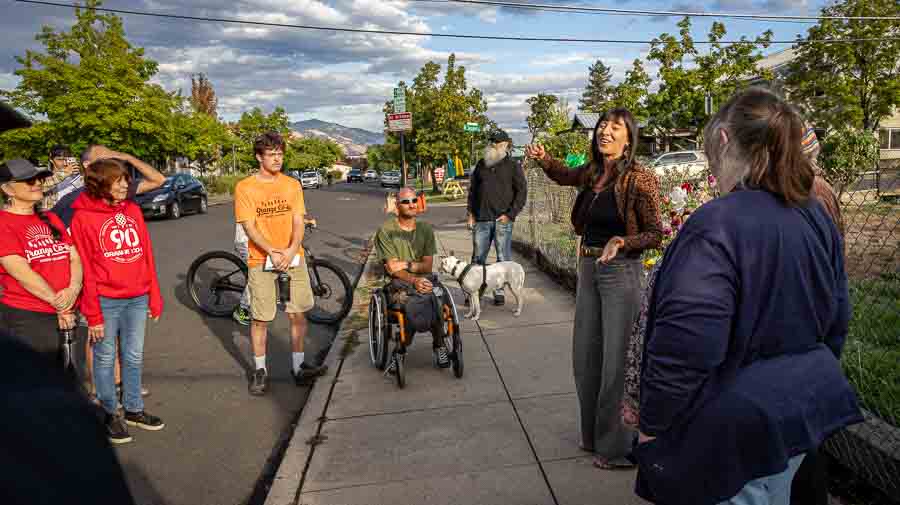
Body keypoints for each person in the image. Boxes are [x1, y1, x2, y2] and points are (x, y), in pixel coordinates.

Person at [633, 87, 863, 505]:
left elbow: (687, 344)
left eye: (709, 158)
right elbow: (837, 317)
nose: (711, 173)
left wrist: (654, 425)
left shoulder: (716, 224)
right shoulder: (813, 214)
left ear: (724, 139)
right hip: (797, 412)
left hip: (732, 428)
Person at [525, 107, 662, 469]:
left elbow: (655, 233)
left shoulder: (639, 179)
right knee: (586, 357)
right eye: (603, 124)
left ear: (629, 139)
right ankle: (593, 437)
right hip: (588, 267)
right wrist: (544, 159)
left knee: (617, 362)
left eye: (615, 127)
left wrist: (623, 241)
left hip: (621, 273)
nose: (605, 131)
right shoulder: (592, 172)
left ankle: (618, 448)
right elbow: (564, 175)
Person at [54, 145, 164, 403]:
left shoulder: (127, 203)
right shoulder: (73, 205)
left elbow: (157, 180)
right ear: (90, 169)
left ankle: (129, 398)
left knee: (130, 352)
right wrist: (76, 296)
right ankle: (102, 397)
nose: (125, 184)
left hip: (134, 293)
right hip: (100, 292)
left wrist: (126, 157)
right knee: (102, 349)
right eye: (105, 159)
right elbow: (74, 254)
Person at [235, 132, 327, 396]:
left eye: (280, 154)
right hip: (261, 258)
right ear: (259, 157)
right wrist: (272, 251)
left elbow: (298, 220)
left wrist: (291, 249)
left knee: (298, 314)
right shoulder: (245, 187)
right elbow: (249, 226)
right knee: (261, 318)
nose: (277, 159)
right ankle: (260, 370)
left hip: (292, 256)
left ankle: (298, 367)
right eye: (271, 154)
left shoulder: (292, 185)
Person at [0, 159, 82, 364]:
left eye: (39, 178)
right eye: (29, 180)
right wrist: (60, 306)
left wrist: (73, 288)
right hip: (29, 316)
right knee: (38, 377)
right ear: (7, 189)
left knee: (70, 374)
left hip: (68, 309)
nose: (37, 183)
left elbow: (74, 257)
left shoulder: (51, 218)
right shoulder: (4, 224)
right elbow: (22, 273)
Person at [373, 186, 447, 367]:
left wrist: (405, 264)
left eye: (414, 200)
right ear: (397, 206)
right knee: (410, 302)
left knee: (437, 298)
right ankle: (402, 348)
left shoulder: (425, 229)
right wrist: (414, 279)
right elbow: (392, 269)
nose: (412, 204)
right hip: (399, 284)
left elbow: (427, 265)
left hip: (426, 279)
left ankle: (439, 344)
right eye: (406, 201)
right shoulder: (386, 230)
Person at [466, 129, 527, 305]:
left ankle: (499, 292)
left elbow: (522, 192)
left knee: (502, 259)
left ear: (505, 145)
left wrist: (510, 215)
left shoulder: (513, 166)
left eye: (497, 142)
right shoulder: (481, 164)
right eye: (491, 141)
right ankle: (474, 291)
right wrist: (471, 214)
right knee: (478, 258)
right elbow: (473, 191)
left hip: (502, 221)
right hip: (481, 219)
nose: (493, 145)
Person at [41, 145, 82, 209]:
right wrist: (65, 173)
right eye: (60, 159)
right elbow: (41, 188)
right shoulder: (44, 176)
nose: (64, 163)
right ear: (51, 160)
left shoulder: (77, 175)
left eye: (66, 159)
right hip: (52, 212)